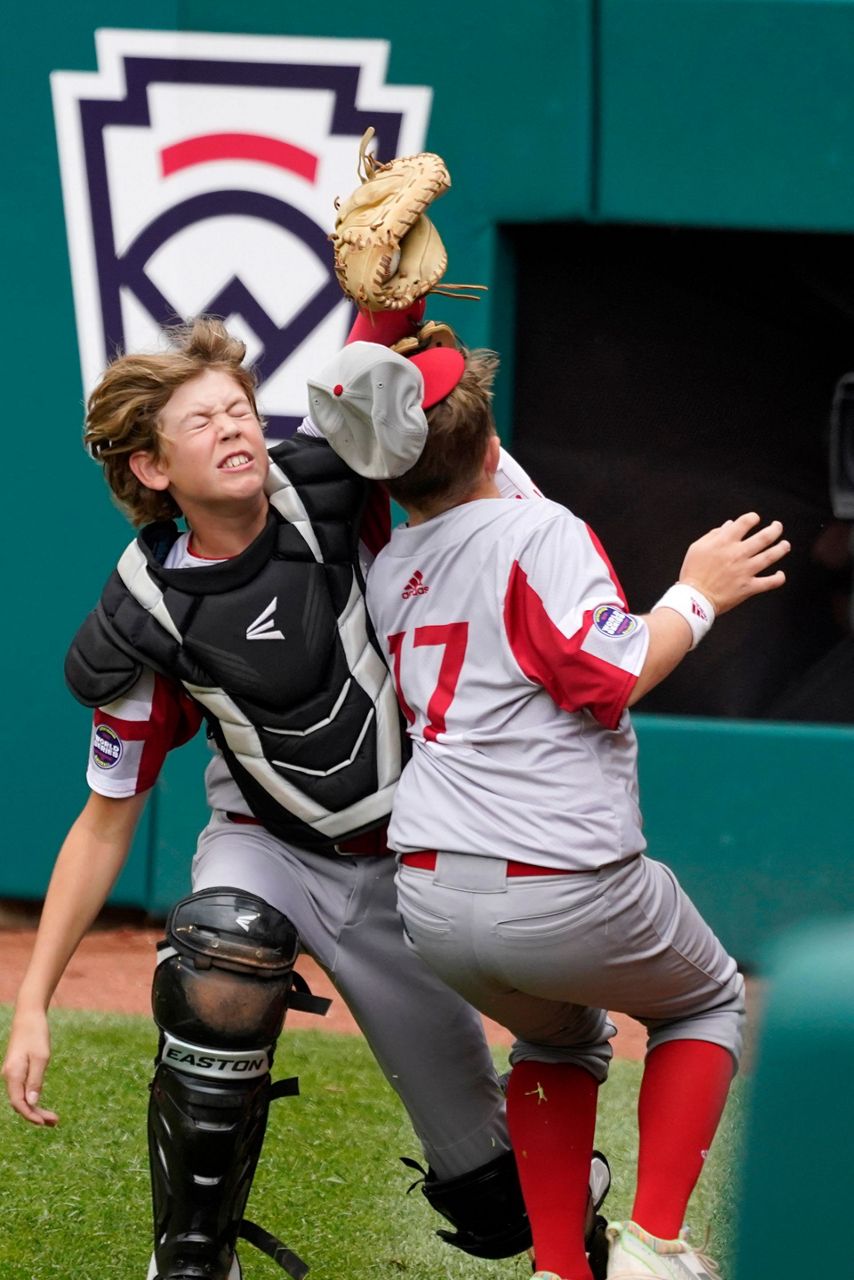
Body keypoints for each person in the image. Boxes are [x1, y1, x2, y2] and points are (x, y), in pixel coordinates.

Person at [1, 314, 610, 1280]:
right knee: (221, 948)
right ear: (152, 469)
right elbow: (106, 819)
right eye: (201, 422)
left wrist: (391, 302)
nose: (234, 426)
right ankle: (192, 1263)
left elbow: (375, 371)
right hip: (268, 844)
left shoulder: (326, 483)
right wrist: (32, 1004)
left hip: (410, 856)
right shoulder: (142, 613)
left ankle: (581, 1221)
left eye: (240, 407)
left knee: (501, 1208)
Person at [307, 339, 791, 1280]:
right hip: (564, 881)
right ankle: (652, 1246)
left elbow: (442, 459)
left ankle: (561, 1266)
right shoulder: (542, 533)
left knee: (556, 1035)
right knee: (704, 1000)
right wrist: (697, 594)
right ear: (490, 445)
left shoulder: (392, 562)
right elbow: (605, 678)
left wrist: (399, 328)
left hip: (434, 896)